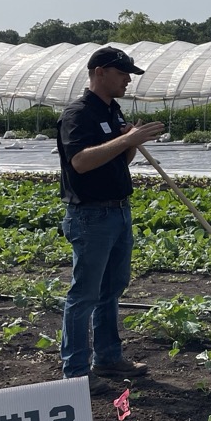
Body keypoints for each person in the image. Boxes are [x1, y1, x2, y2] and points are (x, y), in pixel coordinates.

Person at [57, 46, 165, 380]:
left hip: (118, 212)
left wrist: (129, 142)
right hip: (90, 216)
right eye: (122, 75)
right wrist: (125, 140)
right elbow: (81, 162)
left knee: (110, 291)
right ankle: (74, 373)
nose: (127, 81)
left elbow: (119, 161)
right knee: (84, 295)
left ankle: (107, 358)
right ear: (99, 72)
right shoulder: (78, 114)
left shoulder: (113, 112)